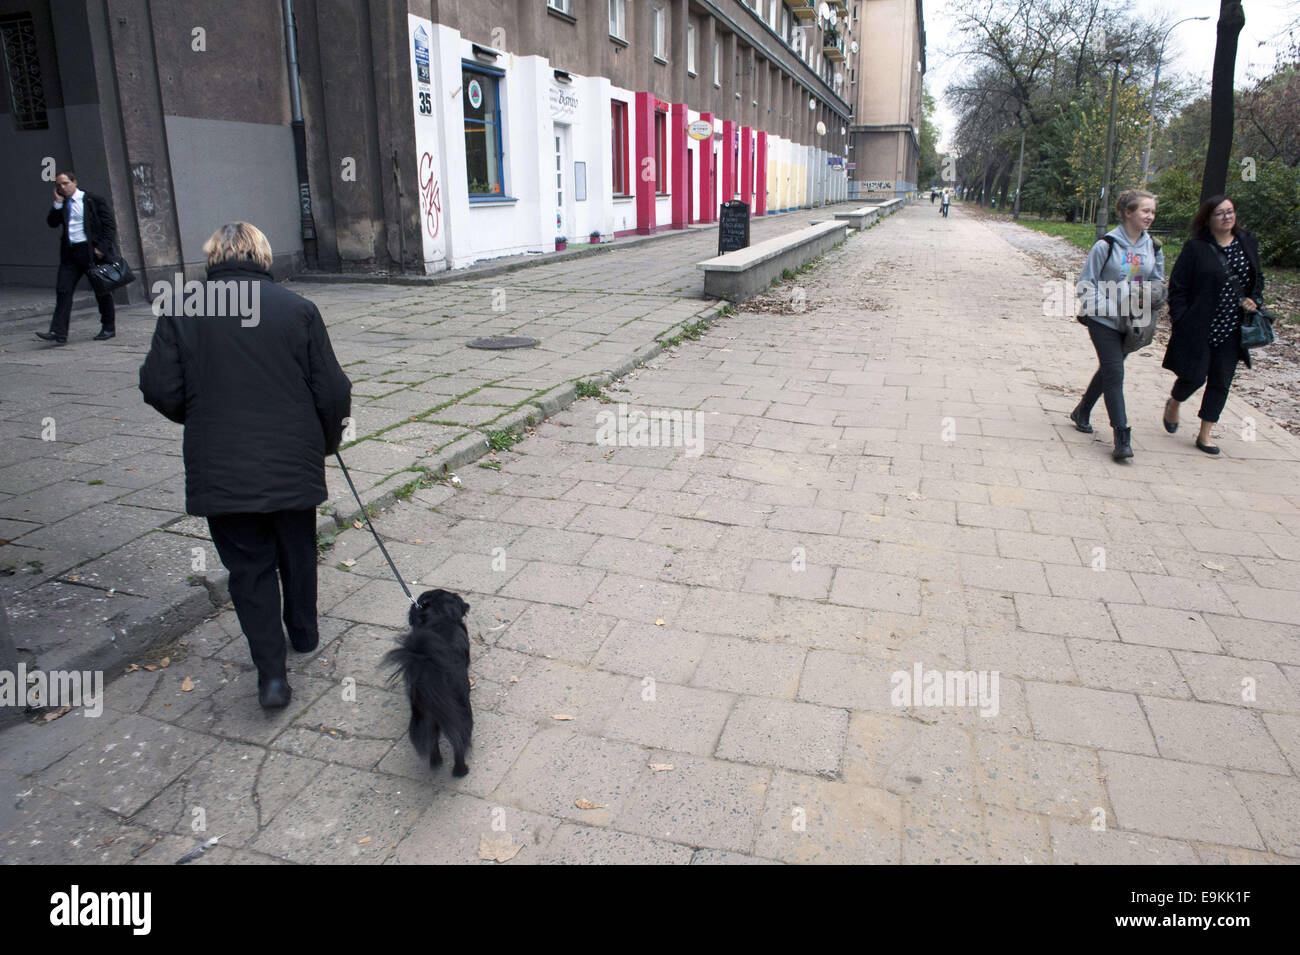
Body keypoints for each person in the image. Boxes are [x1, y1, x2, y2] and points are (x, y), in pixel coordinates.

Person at [139, 223, 352, 708]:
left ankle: (272, 677)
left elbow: (159, 387)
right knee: (296, 551)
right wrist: (327, 438)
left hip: (223, 468)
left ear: (213, 258)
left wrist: (197, 413)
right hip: (291, 463)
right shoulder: (298, 309)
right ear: (263, 256)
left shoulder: (182, 309)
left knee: (249, 568)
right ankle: (303, 631)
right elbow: (334, 389)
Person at [1161, 196, 1266, 455]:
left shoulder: (1247, 242)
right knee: (1194, 376)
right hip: (1199, 325)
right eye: (1220, 213)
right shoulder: (1196, 248)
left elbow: (1258, 279)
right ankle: (1175, 401)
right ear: (1208, 219)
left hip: (1233, 327)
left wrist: (1255, 299)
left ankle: (1205, 433)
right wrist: (1181, 319)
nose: (1227, 217)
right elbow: (1178, 287)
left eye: (1230, 212)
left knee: (1221, 379)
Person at [1068, 188, 1165, 461]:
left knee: (1110, 371)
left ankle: (1082, 411)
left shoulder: (1154, 247)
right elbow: (1085, 285)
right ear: (1127, 212)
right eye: (1145, 211)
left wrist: (1152, 295)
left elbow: (1158, 280)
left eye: (1152, 212)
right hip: (1103, 320)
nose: (1150, 216)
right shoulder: (1106, 246)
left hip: (1134, 323)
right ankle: (1122, 436)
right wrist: (1112, 309)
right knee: (1115, 373)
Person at [37, 171, 118, 344]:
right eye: (59, 185)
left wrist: (101, 249)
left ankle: (108, 327)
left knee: (102, 291)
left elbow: (109, 226)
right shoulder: (63, 203)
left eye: (65, 183)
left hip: (91, 253)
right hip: (70, 254)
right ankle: (58, 333)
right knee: (63, 290)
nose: (62, 187)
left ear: (74, 182)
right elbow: (52, 223)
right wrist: (57, 204)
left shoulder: (92, 200)